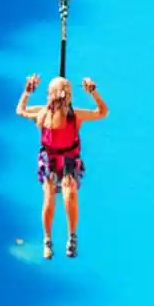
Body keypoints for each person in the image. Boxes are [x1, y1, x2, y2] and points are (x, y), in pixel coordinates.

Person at [16, 73, 108, 259]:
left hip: (68, 157)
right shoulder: (43, 114)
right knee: (49, 194)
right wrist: (27, 91)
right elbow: (21, 110)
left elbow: (102, 112)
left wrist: (93, 92)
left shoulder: (74, 115)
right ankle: (47, 239)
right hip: (50, 157)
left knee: (69, 191)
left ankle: (72, 236)